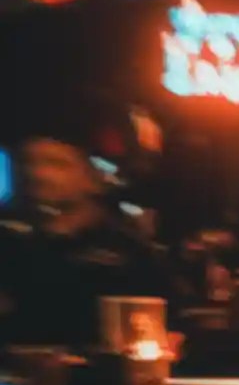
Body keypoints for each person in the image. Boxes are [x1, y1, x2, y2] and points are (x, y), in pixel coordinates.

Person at [0, 113, 187, 351]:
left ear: (92, 179)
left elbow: (173, 325)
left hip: (102, 381)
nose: (38, 174)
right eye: (28, 163)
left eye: (57, 164)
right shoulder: (9, 244)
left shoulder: (127, 251)